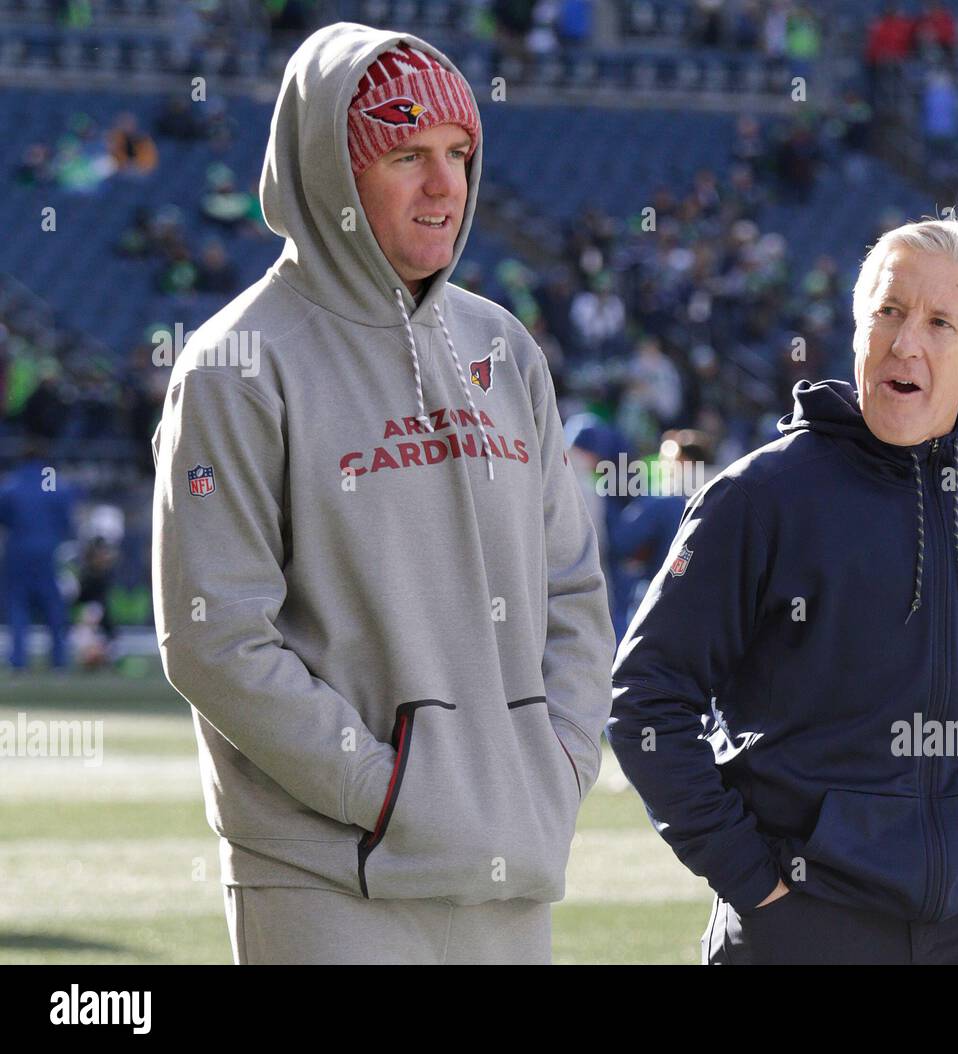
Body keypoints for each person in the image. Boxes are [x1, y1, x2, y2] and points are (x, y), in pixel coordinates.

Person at [151, 23, 614, 965]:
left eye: (459, 154)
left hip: (507, 867)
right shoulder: (235, 365)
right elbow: (214, 637)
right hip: (327, 877)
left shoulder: (502, 349)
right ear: (332, 172)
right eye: (407, 155)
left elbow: (573, 593)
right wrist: (388, 791)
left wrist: (555, 766)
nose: (447, 187)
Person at [608, 217, 958, 965]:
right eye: (888, 313)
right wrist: (754, 884)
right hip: (800, 924)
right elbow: (646, 701)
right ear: (857, 327)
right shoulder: (758, 496)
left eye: (938, 323)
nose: (905, 344)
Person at [1, 439, 75, 671]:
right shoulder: (54, 483)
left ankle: (19, 661)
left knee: (17, 606)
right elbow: (66, 518)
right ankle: (59, 660)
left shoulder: (12, 483)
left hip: (18, 551)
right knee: (53, 606)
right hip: (47, 552)